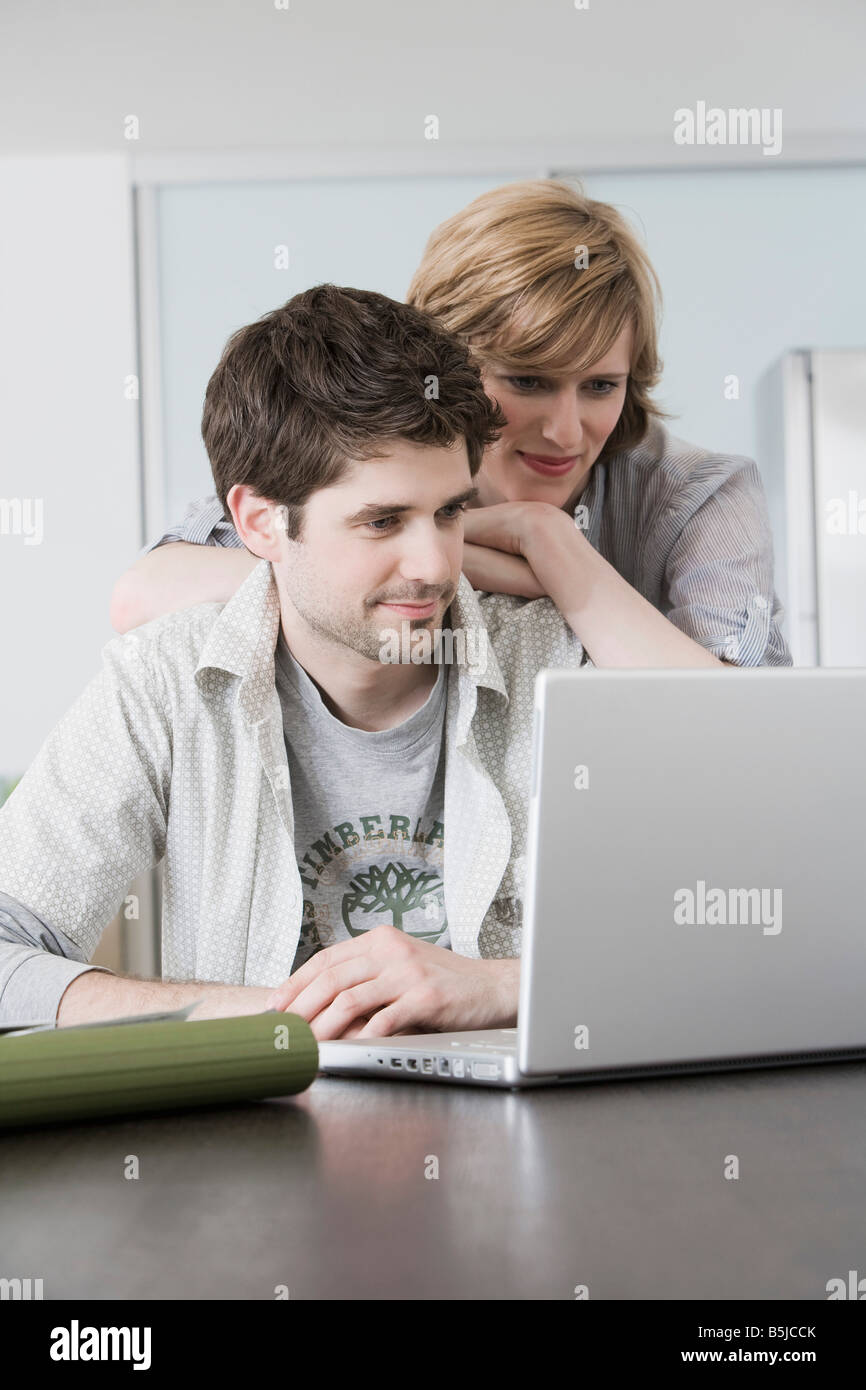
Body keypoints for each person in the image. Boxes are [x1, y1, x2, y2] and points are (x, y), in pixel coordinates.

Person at [0, 284, 592, 1037]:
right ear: (259, 521)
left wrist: (506, 986)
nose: (437, 565)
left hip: (520, 1148)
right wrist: (290, 1013)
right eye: (383, 521)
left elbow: (724, 944)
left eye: (449, 512)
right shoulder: (162, 682)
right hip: (257, 1142)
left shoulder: (559, 670)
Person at [111, 180, 791, 669]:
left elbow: (725, 734)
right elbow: (142, 595)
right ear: (449, 362)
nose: (564, 431)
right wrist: (463, 559)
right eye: (527, 381)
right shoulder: (360, 464)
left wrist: (553, 546)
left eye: (600, 387)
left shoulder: (700, 494)